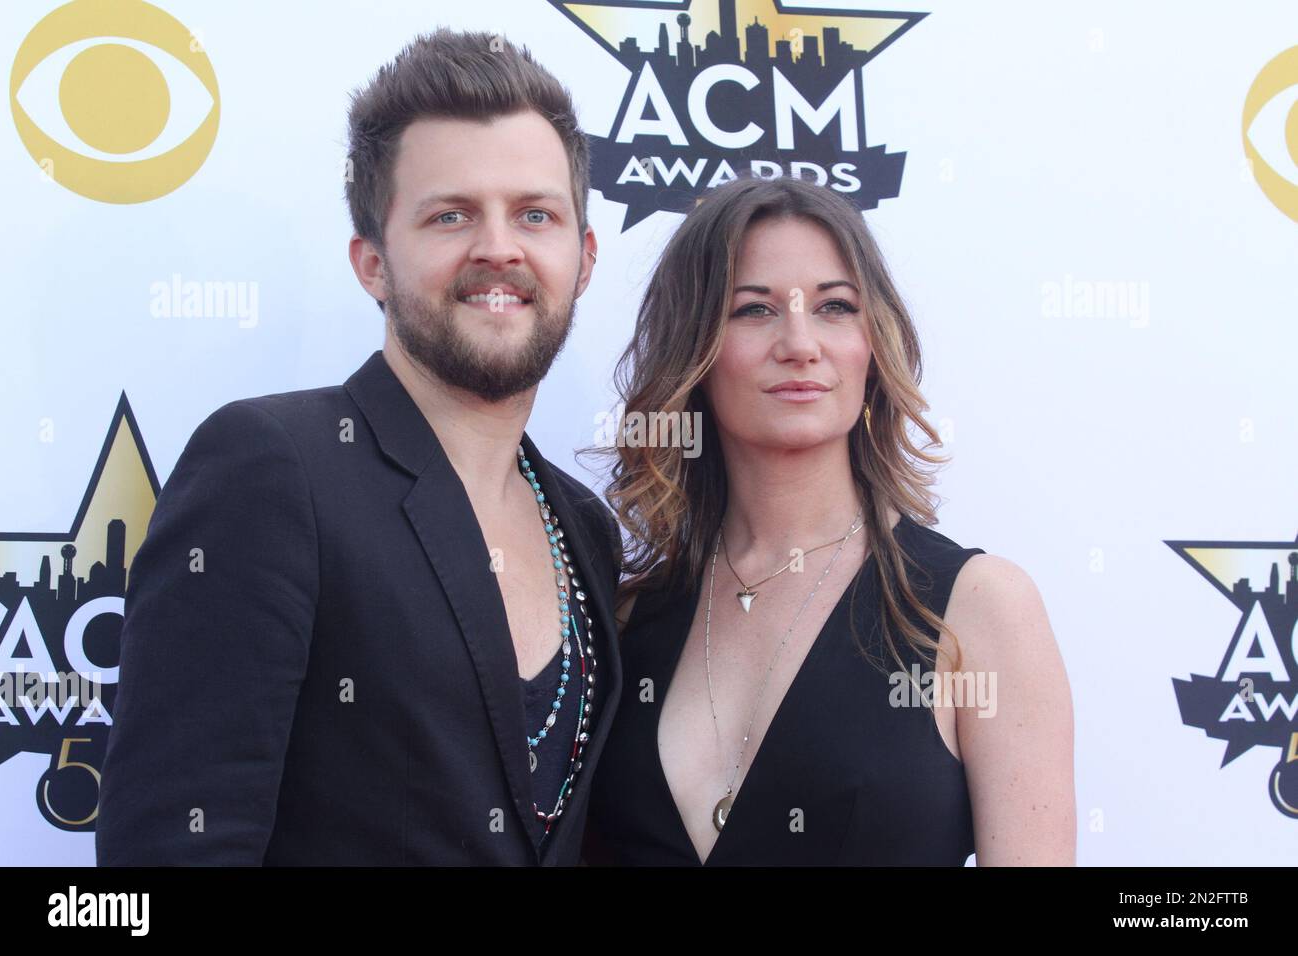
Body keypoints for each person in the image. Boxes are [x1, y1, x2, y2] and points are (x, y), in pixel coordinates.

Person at [96, 29, 622, 866]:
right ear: (372, 263)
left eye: (536, 214)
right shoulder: (273, 469)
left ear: (583, 258)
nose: (499, 247)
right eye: (451, 215)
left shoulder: (586, 529)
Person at [582, 174, 1075, 866]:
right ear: (693, 350)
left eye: (835, 307)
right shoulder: (631, 620)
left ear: (872, 348)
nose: (800, 343)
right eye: (753, 310)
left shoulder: (976, 609)